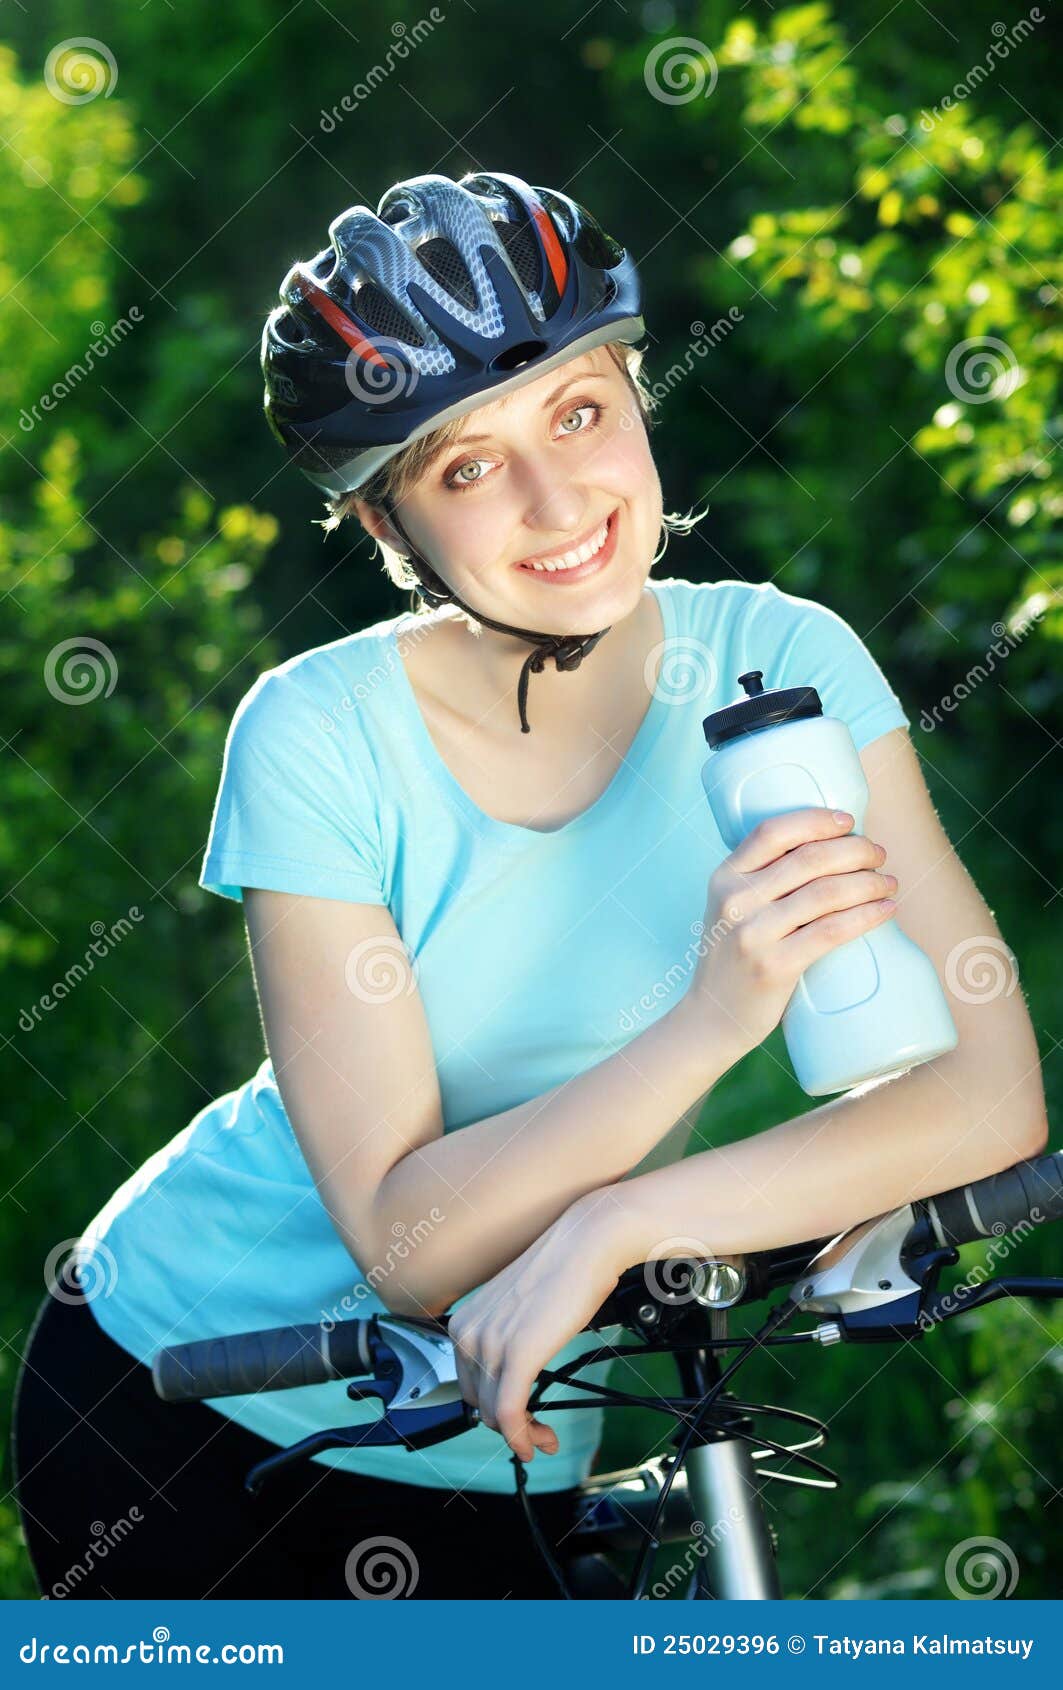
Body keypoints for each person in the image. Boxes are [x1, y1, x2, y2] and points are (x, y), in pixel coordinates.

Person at [11, 169, 1048, 1601]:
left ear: (636, 393)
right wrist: (708, 1018)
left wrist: (618, 1221)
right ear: (388, 530)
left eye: (579, 413)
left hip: (517, 1415)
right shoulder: (313, 732)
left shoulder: (784, 662)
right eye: (466, 463)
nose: (561, 501)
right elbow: (407, 1243)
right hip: (186, 1396)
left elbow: (987, 1097)